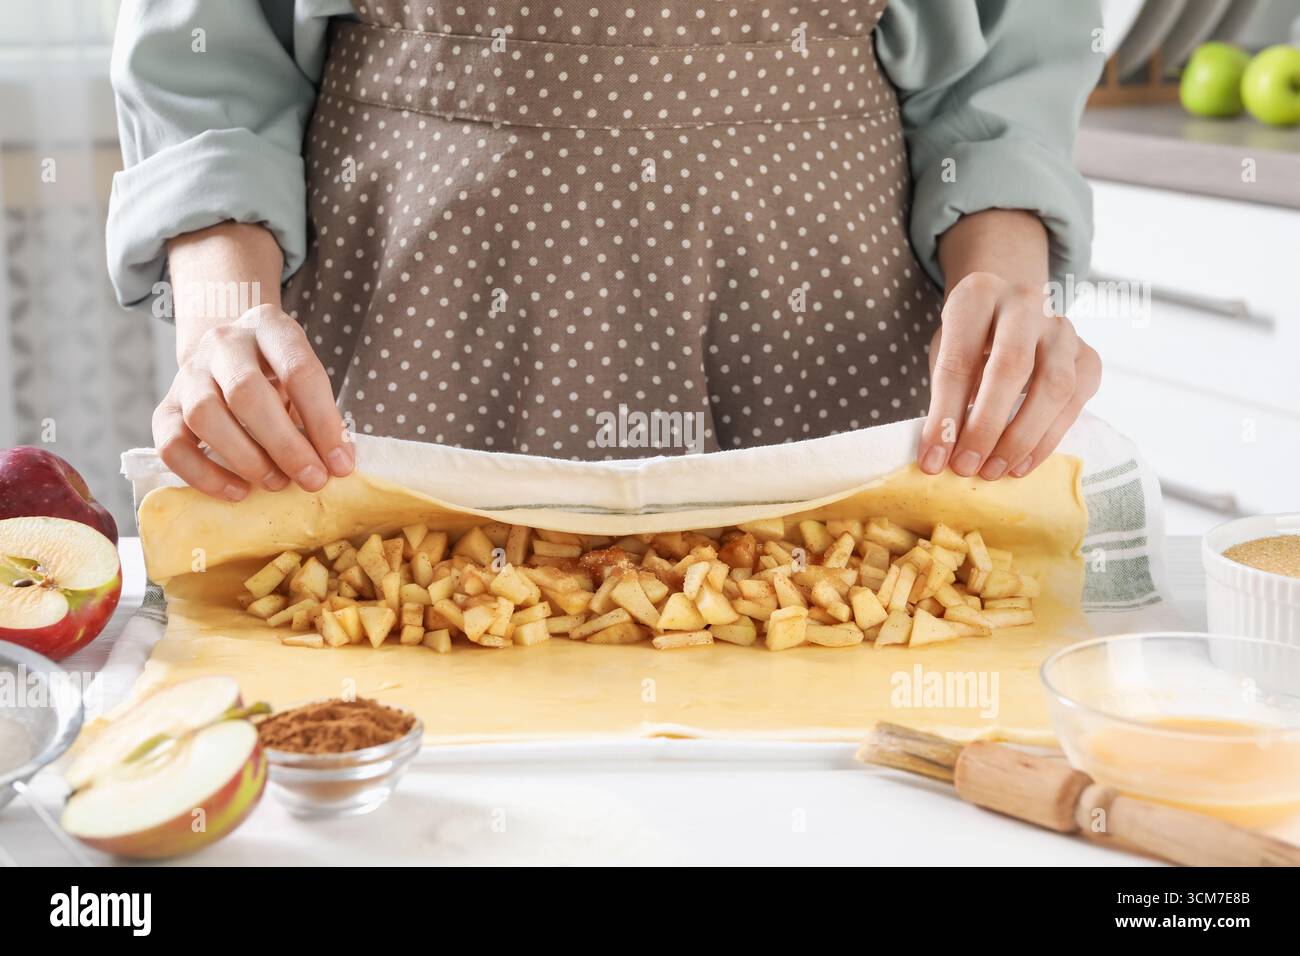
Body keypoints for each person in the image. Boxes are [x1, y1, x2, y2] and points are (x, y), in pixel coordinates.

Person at [107, 0, 1103, 501]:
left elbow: (1003, 75)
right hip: (417, 317)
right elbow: (212, 68)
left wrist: (1003, 292)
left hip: (826, 324)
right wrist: (227, 327)